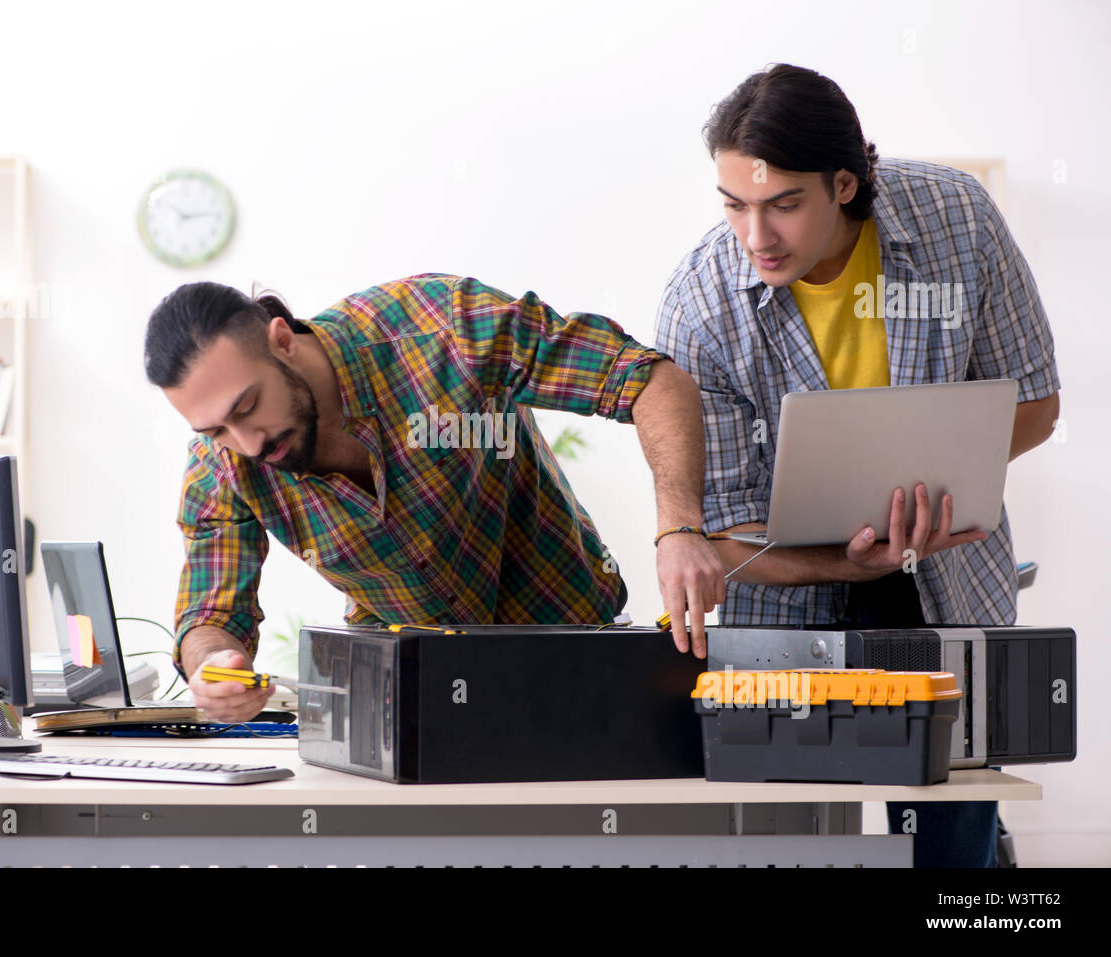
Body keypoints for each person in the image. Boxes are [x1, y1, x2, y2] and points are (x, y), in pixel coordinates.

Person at [654, 64, 1060, 867]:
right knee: (791, 849)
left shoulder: (956, 220)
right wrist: (846, 554)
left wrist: (922, 496)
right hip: (784, 608)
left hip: (948, 578)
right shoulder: (701, 304)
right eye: (735, 205)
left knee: (950, 851)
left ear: (846, 182)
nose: (756, 237)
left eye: (784, 205)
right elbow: (724, 533)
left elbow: (1036, 405)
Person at [144, 273, 725, 721]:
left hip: (570, 652)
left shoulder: (441, 330)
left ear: (281, 342)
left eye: (247, 407)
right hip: (409, 695)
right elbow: (210, 616)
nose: (247, 443)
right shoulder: (222, 466)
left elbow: (646, 379)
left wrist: (680, 529)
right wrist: (215, 666)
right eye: (215, 430)